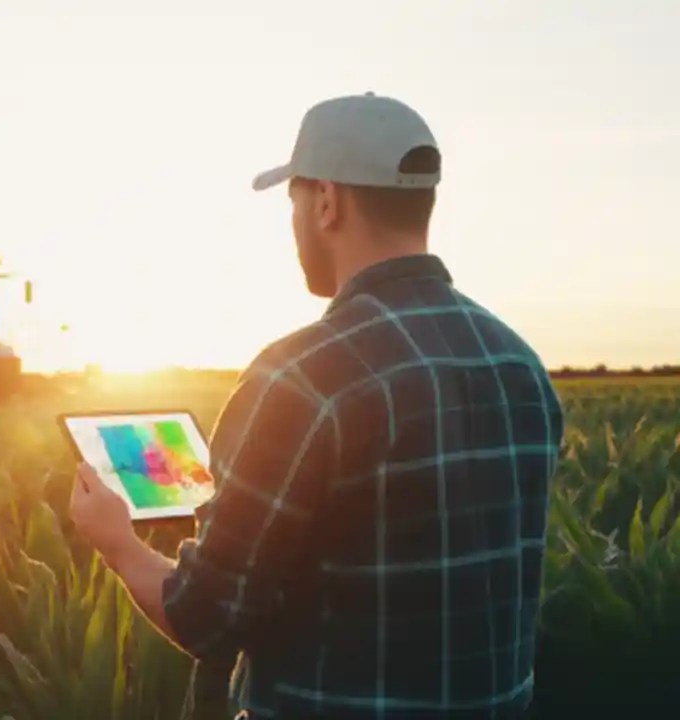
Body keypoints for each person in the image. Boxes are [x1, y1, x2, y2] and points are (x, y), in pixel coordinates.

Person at [69, 92, 564, 719]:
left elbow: (207, 621)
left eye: (296, 201)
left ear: (326, 202)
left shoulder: (303, 376)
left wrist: (117, 542)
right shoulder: (518, 363)